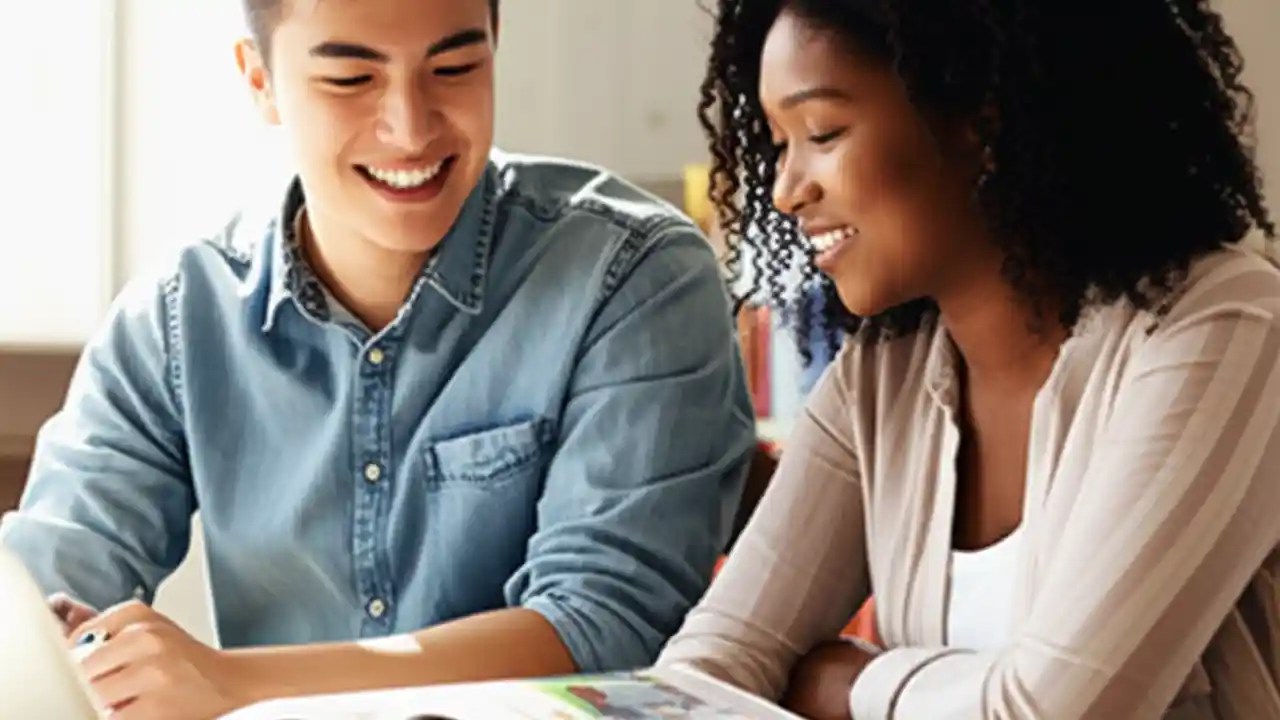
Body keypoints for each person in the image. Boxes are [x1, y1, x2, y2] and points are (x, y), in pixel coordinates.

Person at [0, 0, 755, 717]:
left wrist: (233, 682)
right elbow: (44, 602)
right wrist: (75, 646)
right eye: (351, 78)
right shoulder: (176, 317)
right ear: (260, 80)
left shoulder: (633, 276)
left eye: (455, 69)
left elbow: (605, 628)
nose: (411, 128)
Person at [656, 0, 1280, 718]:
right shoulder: (881, 377)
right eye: (777, 143)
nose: (787, 190)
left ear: (981, 119)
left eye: (822, 133)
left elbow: (1056, 712)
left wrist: (851, 684)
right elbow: (704, 672)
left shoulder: (1224, 324)